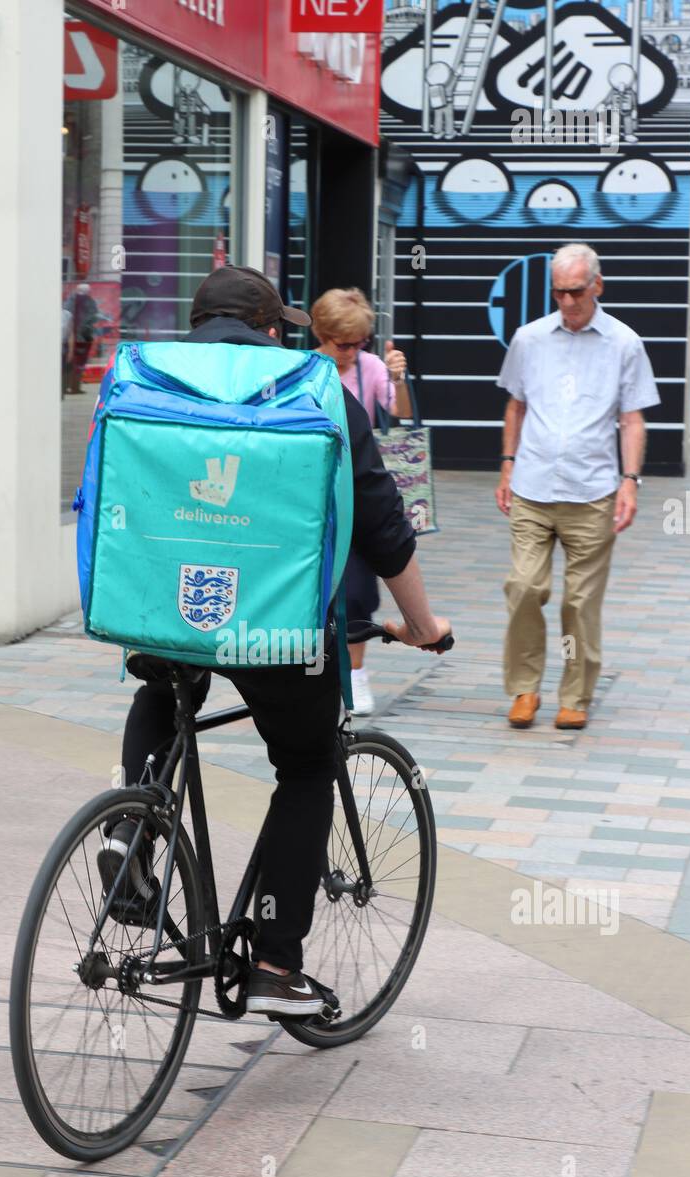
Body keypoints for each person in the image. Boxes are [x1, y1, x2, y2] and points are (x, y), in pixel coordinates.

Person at [104, 265, 451, 1018]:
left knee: (164, 683)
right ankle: (273, 961)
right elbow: (383, 522)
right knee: (304, 764)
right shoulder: (313, 386)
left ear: (198, 326)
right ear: (271, 332)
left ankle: (131, 826)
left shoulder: (142, 375)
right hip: (277, 626)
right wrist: (421, 625)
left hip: (163, 604)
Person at [496, 243, 659, 731]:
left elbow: (632, 420)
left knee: (579, 604)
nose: (567, 302)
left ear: (597, 286)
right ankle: (525, 687)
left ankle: (575, 694)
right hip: (532, 484)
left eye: (576, 291)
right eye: (559, 292)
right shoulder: (529, 338)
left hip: (592, 492)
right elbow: (516, 407)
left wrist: (629, 482)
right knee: (524, 587)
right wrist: (506, 466)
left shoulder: (624, 343)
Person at [311, 286, 413, 715]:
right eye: (342, 343)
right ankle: (315, 674)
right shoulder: (308, 368)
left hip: (356, 492)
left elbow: (401, 413)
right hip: (314, 494)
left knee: (355, 589)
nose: (351, 351)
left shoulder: (368, 366)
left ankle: (355, 675)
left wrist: (397, 379)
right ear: (321, 333)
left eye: (358, 343)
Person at [65, 283, 99, 393]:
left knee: (69, 362)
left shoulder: (70, 301)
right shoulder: (90, 302)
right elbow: (94, 318)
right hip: (83, 337)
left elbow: (66, 316)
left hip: (71, 336)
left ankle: (67, 387)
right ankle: (75, 387)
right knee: (79, 363)